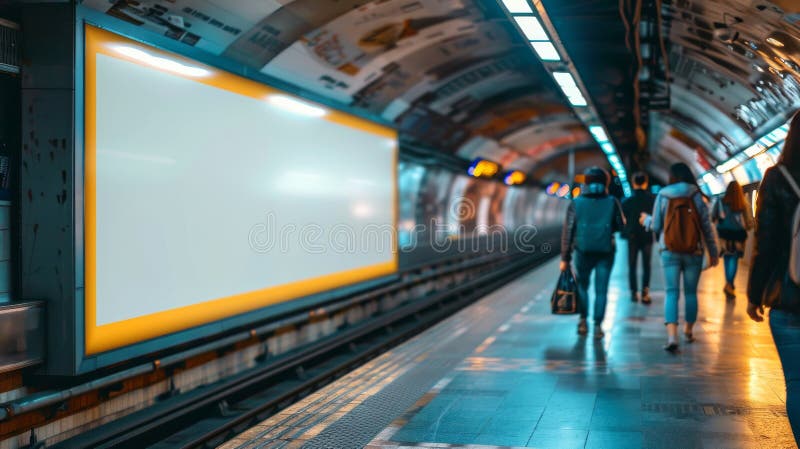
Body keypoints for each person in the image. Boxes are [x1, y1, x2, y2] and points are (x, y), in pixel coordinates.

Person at [747, 111, 800, 444]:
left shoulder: (778, 178)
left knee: (797, 382)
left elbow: (765, 244)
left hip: (789, 296)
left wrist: (755, 295)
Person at [641, 162, 719, 352]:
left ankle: (672, 337)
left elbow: (657, 226)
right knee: (691, 293)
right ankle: (689, 331)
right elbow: (706, 226)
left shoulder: (663, 194)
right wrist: (713, 252)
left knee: (671, 292)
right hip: (694, 250)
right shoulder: (696, 194)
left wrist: (646, 220)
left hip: (669, 250)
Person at [560, 167, 625, 339]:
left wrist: (565, 257)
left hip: (582, 251)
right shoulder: (612, 201)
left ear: (586, 183)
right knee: (601, 290)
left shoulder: (576, 203)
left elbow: (568, 231)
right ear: (605, 183)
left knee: (582, 287)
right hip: (606, 251)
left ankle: (583, 321)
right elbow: (620, 225)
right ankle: (598, 326)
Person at [711, 181, 753, 300]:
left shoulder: (721, 201)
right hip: (738, 236)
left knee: (727, 258)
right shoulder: (743, 203)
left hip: (724, 235)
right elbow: (749, 221)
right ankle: (730, 284)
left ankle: (728, 284)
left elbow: (713, 216)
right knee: (734, 259)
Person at [621, 172, 656, 304]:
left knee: (632, 265)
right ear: (646, 183)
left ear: (633, 183)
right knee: (647, 265)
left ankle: (633, 293)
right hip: (647, 236)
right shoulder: (652, 199)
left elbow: (622, 220)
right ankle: (645, 292)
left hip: (632, 237)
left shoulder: (627, 200)